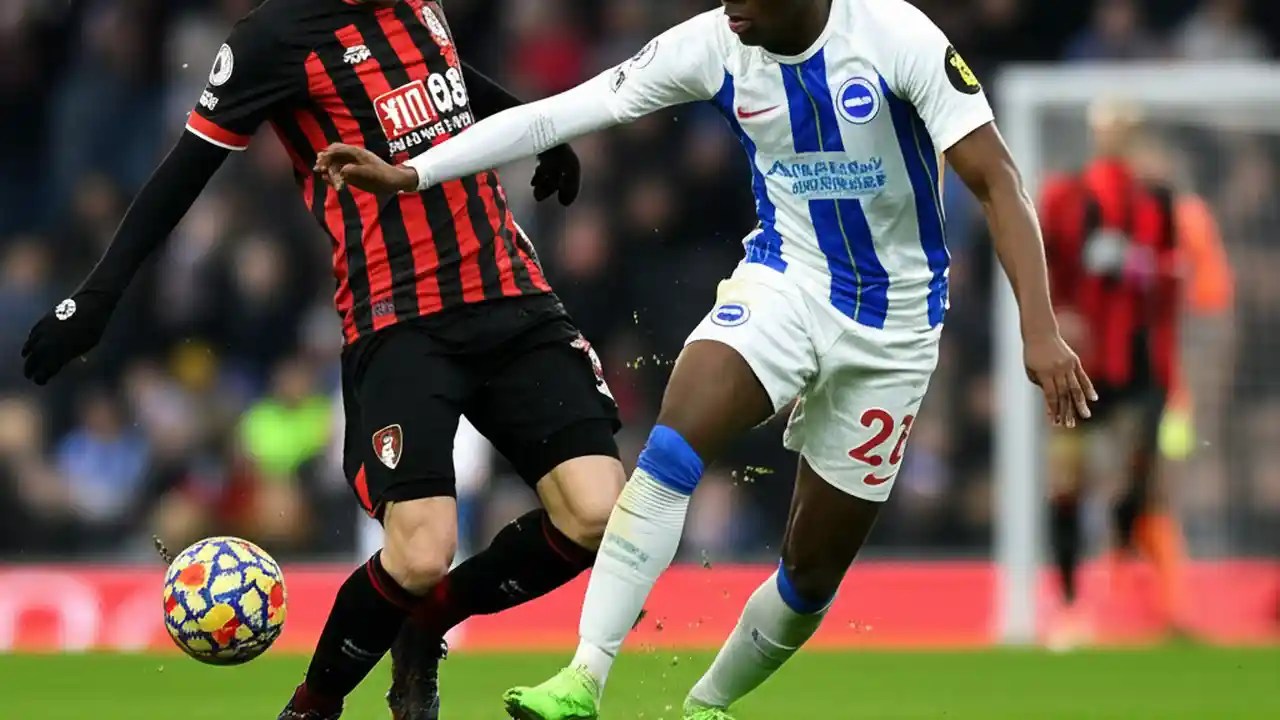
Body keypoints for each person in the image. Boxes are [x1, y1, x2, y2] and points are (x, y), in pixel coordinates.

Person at [316, 0, 1094, 718]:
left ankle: (707, 705)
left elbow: (997, 181)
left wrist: (1039, 328)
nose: (729, 3)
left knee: (811, 575)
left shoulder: (894, 35)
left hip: (895, 330)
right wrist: (415, 172)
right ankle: (584, 676)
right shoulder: (716, 44)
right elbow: (561, 113)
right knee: (671, 445)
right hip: (787, 282)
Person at [19, 1, 627, 719]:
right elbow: (183, 174)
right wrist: (96, 299)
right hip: (400, 319)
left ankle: (430, 621)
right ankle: (314, 704)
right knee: (419, 552)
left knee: (598, 514)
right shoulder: (272, 40)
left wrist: (536, 126)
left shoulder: (417, 5)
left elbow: (445, 80)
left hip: (510, 295)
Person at [1039, 103, 1232, 648]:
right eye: (1108, 130)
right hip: (1078, 367)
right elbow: (1038, 262)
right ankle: (1074, 604)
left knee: (1144, 483)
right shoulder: (1063, 198)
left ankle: (1142, 587)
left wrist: (1147, 267)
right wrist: (1053, 319)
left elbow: (1197, 283)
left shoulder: (1169, 206)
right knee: (1068, 482)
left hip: (1150, 369)